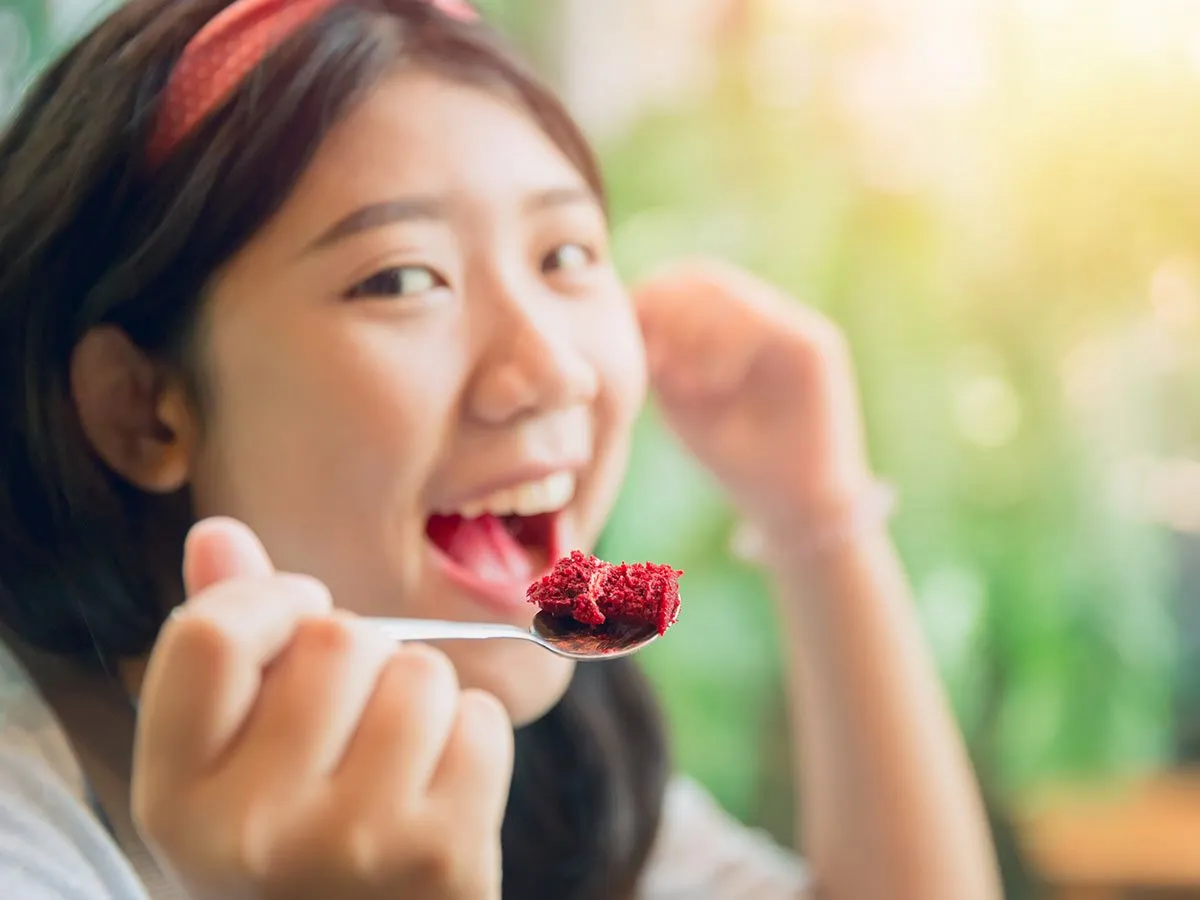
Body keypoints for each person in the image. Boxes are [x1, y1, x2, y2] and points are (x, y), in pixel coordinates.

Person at [0, 0, 1001, 898]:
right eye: (403, 279)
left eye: (565, 255)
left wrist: (816, 517)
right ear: (145, 411)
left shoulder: (534, 744)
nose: (553, 370)